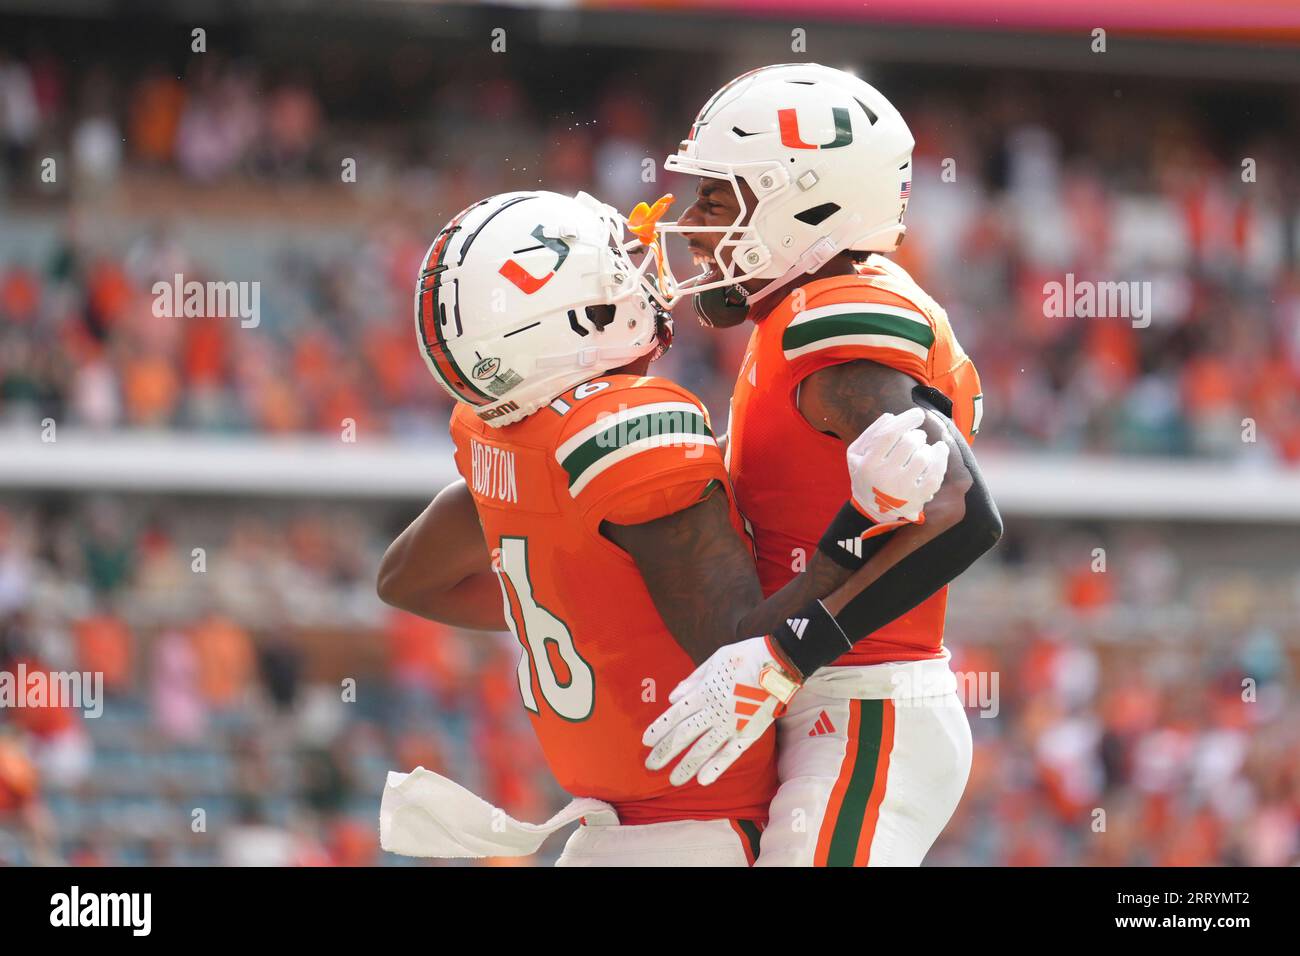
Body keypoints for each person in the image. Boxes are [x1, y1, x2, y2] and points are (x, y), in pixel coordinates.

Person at [376, 188, 947, 866]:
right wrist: (864, 522)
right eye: (619, 270)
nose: (647, 276)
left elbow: (404, 579)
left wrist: (590, 609)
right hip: (701, 837)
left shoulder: (503, 432)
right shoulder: (633, 431)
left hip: (606, 838)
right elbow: (744, 649)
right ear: (570, 319)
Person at [640, 63, 1002, 866]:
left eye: (715, 198)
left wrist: (782, 655)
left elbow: (961, 510)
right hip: (830, 696)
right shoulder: (793, 317)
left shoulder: (833, 313)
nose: (694, 228)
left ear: (805, 200)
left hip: (864, 703)